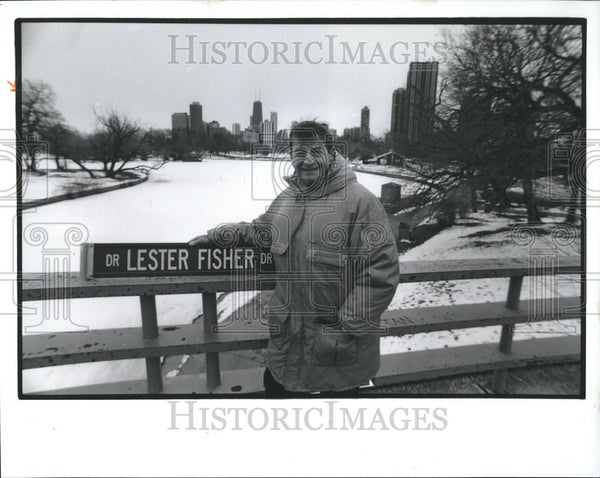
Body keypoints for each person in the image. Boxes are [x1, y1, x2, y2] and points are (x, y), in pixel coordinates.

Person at [189, 121, 400, 397]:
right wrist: (226, 234)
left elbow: (381, 273)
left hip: (337, 357)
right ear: (290, 155)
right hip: (287, 349)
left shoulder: (361, 202)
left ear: (329, 151)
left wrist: (343, 329)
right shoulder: (287, 199)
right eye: (300, 152)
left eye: (315, 151)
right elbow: (262, 231)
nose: (307, 160)